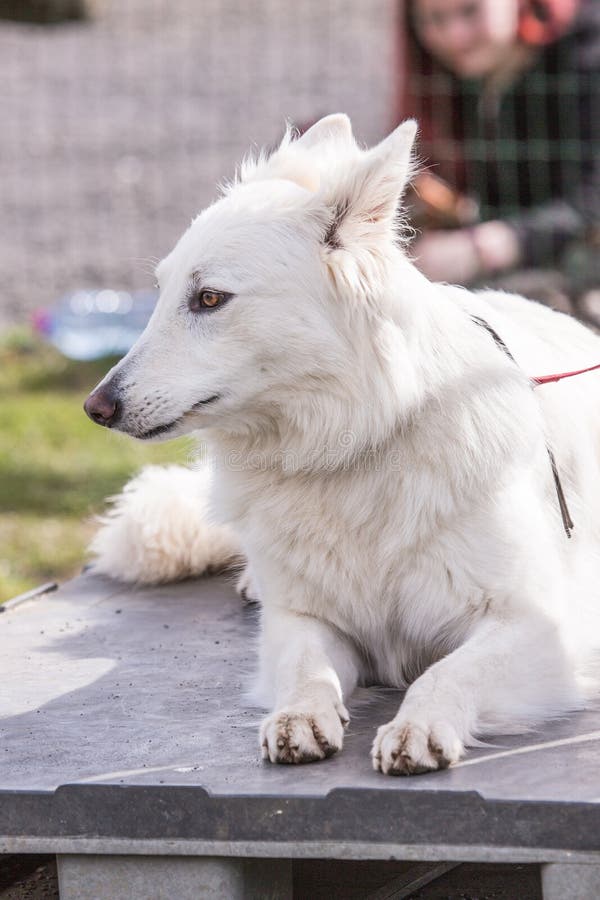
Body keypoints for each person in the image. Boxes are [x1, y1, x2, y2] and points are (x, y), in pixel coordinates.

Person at [399, 0, 599, 319]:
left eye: (470, 11)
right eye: (434, 19)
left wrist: (485, 247)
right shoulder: (462, 75)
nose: (455, 35)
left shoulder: (589, 51)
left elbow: (592, 199)